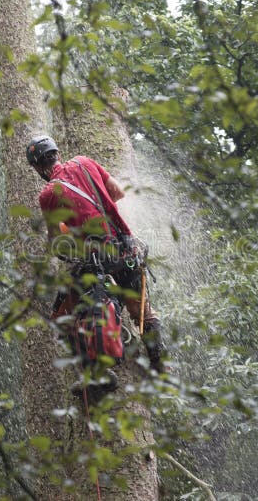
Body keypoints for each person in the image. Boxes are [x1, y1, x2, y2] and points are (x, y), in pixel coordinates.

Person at [26, 135, 166, 386]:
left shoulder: (48, 194)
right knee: (142, 311)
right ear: (57, 153)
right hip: (126, 250)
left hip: (97, 264)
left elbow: (56, 241)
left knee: (65, 313)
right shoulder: (84, 162)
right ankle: (158, 360)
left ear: (37, 167)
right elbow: (118, 193)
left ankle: (99, 373)